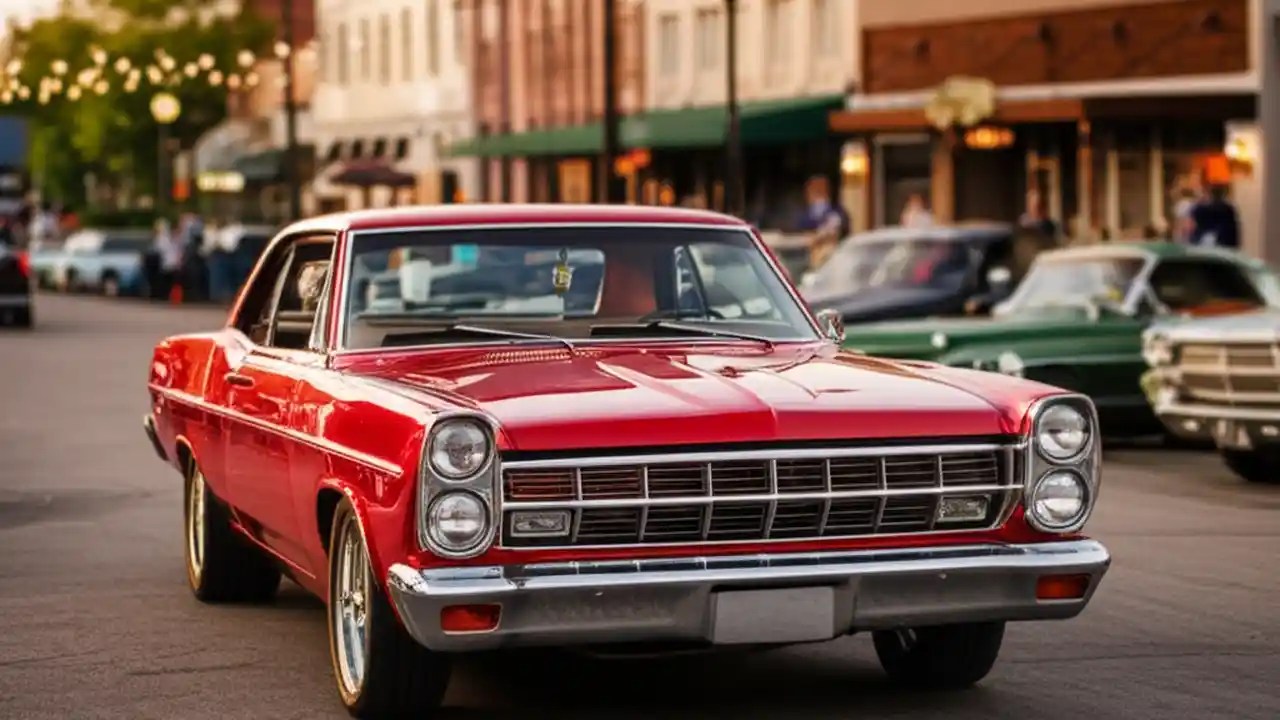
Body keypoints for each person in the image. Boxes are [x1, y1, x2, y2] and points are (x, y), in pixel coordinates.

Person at [1190, 185, 1240, 249]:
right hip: (1223, 245)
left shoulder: (1202, 209)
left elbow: (1195, 214)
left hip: (1206, 242)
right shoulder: (1228, 209)